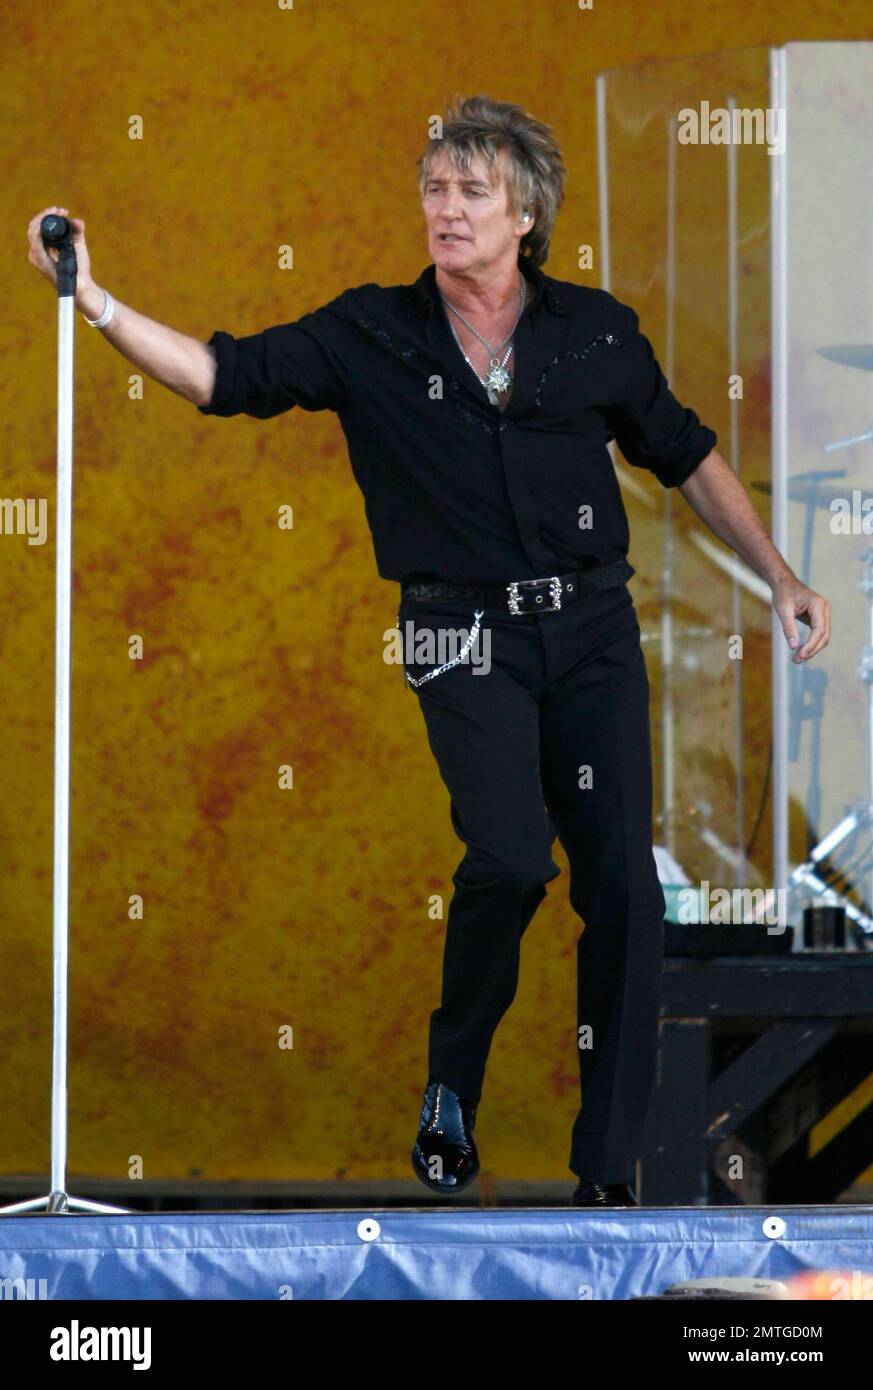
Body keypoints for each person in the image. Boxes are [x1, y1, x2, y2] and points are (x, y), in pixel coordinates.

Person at [28, 93, 830, 1208]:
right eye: (435, 189)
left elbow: (687, 454)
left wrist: (782, 575)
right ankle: (452, 1082)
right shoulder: (370, 333)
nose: (446, 209)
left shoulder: (597, 333)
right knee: (511, 857)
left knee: (624, 894)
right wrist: (95, 301)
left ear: (525, 216)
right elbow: (223, 376)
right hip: (460, 631)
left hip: (591, 629)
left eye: (472, 192)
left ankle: (610, 1179)